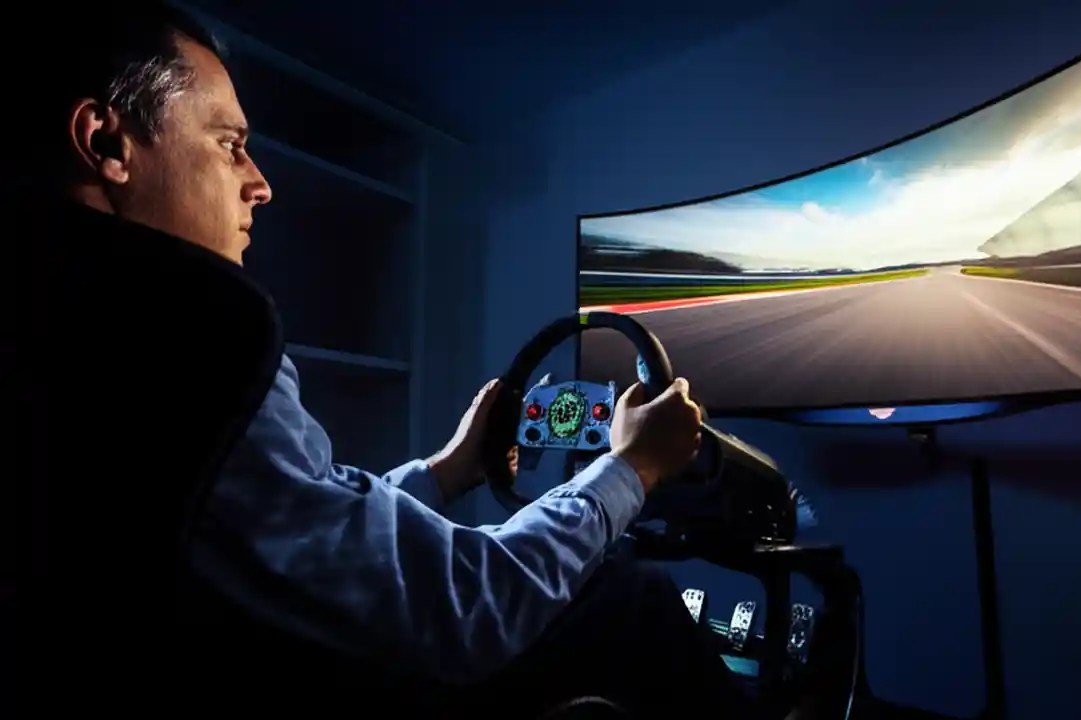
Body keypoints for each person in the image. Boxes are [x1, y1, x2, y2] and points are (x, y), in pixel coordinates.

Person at [28, 4, 776, 718]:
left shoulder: (90, 330)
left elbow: (303, 539)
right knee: (626, 592)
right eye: (229, 145)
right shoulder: (204, 339)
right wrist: (632, 468)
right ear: (106, 143)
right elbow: (470, 606)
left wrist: (447, 470)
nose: (260, 183)